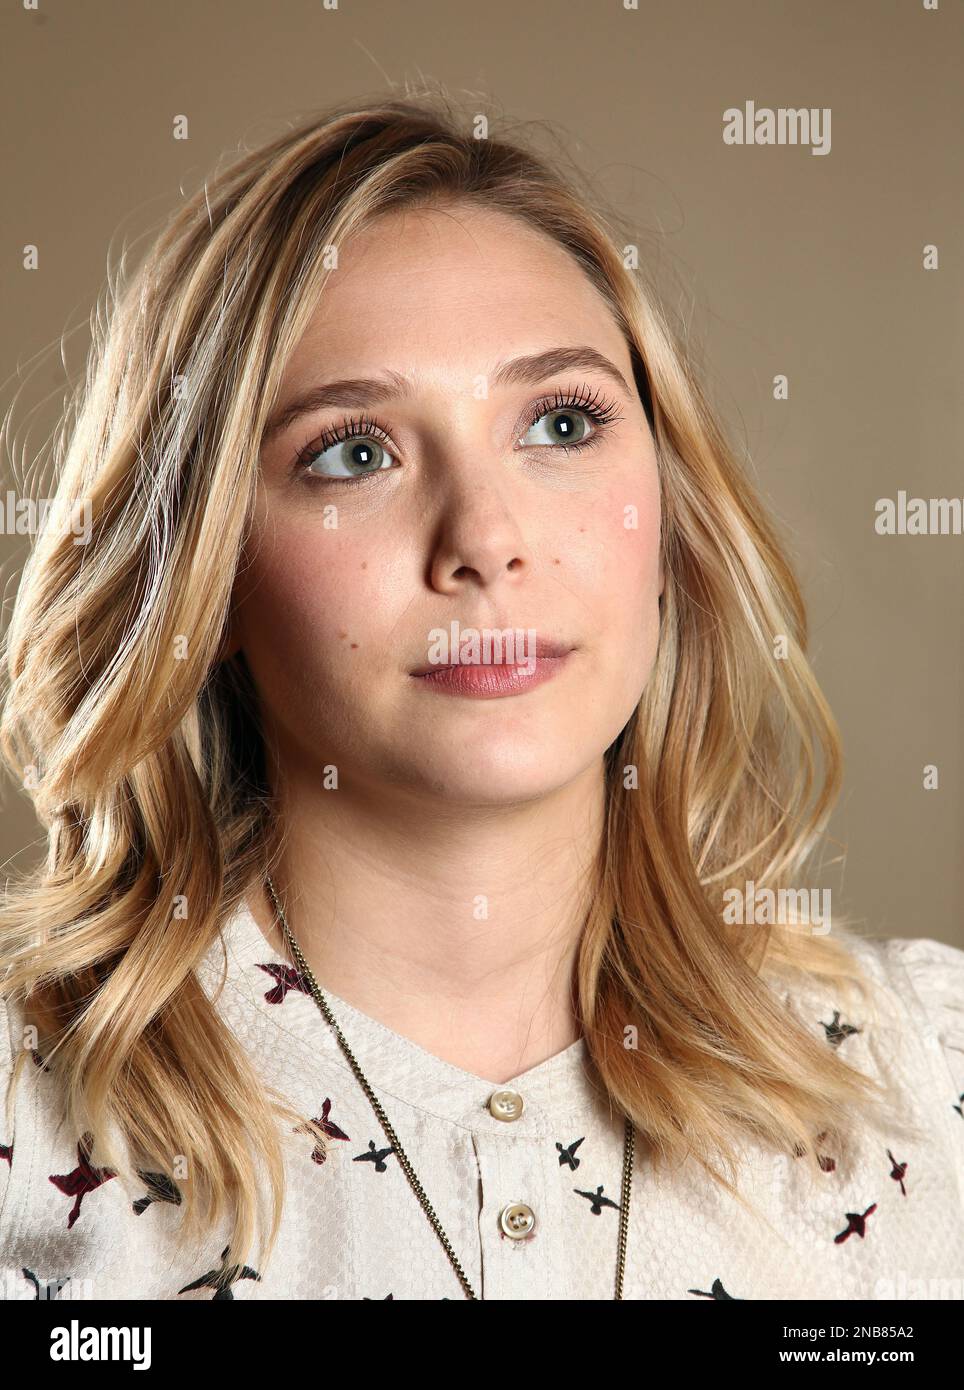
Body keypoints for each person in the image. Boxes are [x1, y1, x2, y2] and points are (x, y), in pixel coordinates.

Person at [0, 88, 961, 1302]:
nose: (486, 539)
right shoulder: (27, 1123)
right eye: (354, 449)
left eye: (560, 422)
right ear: (212, 573)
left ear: (663, 519)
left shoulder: (926, 1079)